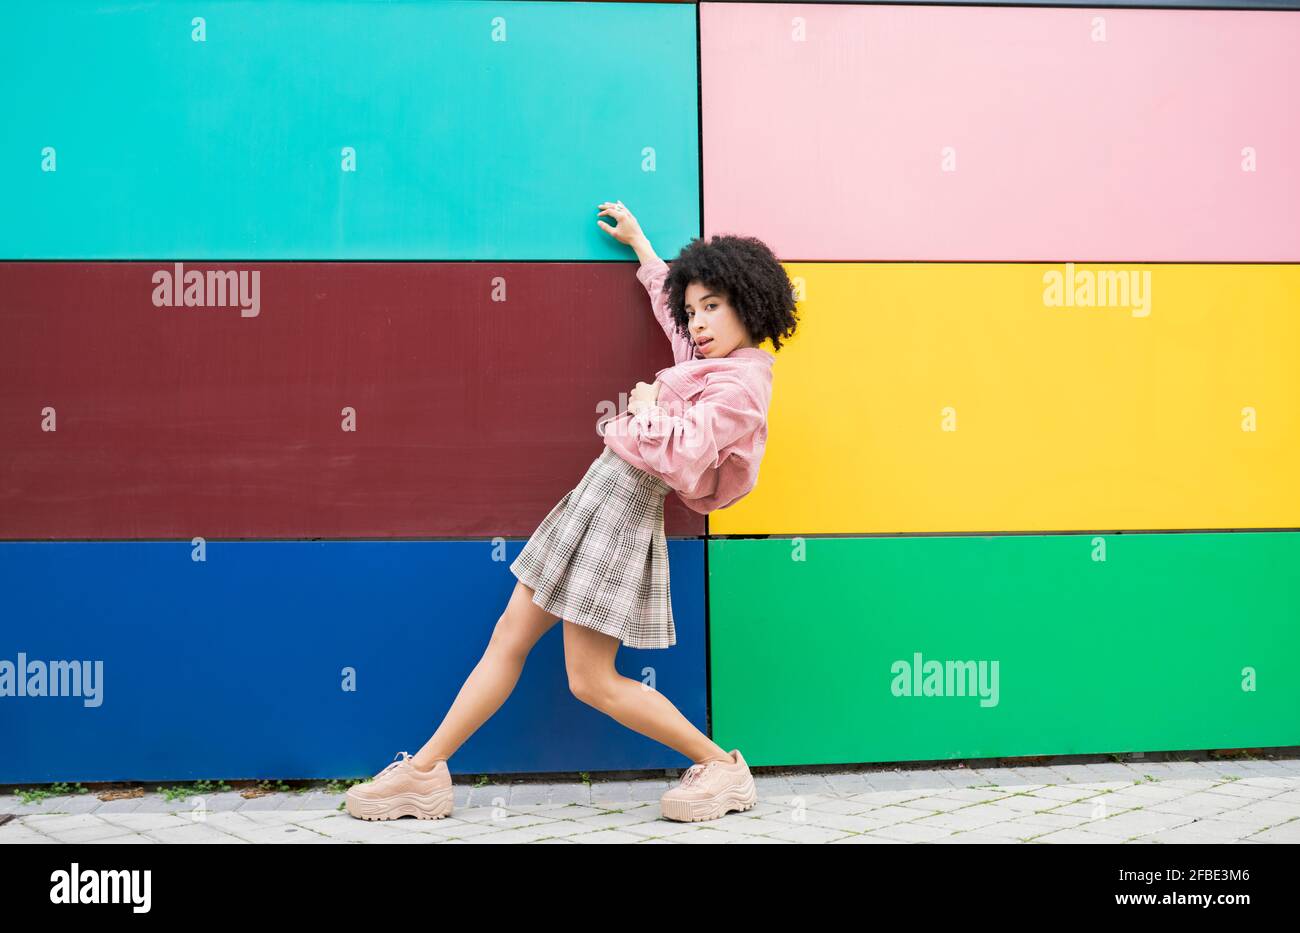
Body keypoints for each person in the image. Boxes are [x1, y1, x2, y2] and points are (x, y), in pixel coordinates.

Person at [346, 201, 800, 824]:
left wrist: (646, 406)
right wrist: (644, 248)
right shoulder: (704, 363)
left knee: (590, 680)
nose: (695, 323)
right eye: (693, 309)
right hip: (594, 498)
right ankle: (424, 774)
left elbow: (688, 454)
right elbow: (668, 318)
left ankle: (722, 767)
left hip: (622, 516)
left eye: (712, 307)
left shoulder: (742, 386)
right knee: (509, 637)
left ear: (751, 304)